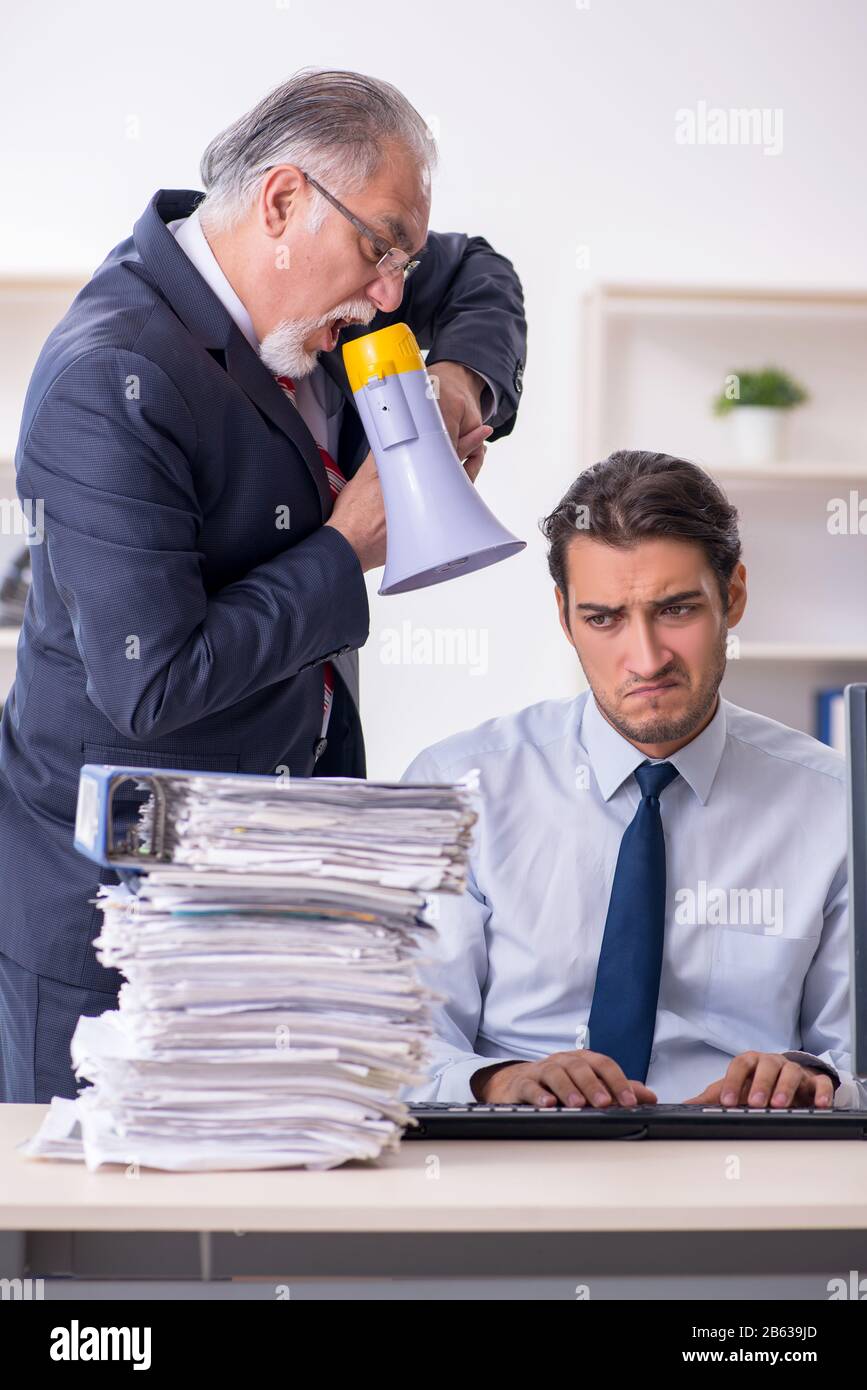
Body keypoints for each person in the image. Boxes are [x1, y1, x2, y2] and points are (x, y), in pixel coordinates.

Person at [0, 68, 527, 1104]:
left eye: (400, 258)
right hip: (112, 918)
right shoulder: (111, 380)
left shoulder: (328, 278)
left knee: (268, 1220)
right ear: (282, 201)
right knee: (107, 1253)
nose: (391, 292)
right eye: (381, 250)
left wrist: (461, 378)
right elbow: (153, 683)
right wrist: (347, 546)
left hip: (279, 889)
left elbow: (482, 272)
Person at [402, 450, 867, 1111]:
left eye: (676, 610)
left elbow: (854, 1060)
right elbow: (400, 1043)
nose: (645, 659)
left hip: (745, 1162)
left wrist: (813, 1081)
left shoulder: (835, 803)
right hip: (518, 1155)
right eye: (604, 619)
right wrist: (496, 1082)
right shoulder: (456, 786)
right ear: (564, 616)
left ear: (731, 597)